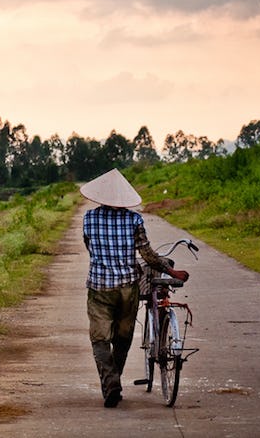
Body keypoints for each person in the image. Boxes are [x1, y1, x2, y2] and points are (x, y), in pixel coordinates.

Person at [80, 169, 190, 408]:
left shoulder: (89, 219)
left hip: (99, 288)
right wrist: (170, 271)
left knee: (100, 339)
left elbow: (89, 247)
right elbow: (148, 255)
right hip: (127, 288)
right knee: (122, 338)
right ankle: (114, 381)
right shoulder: (134, 220)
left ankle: (111, 383)